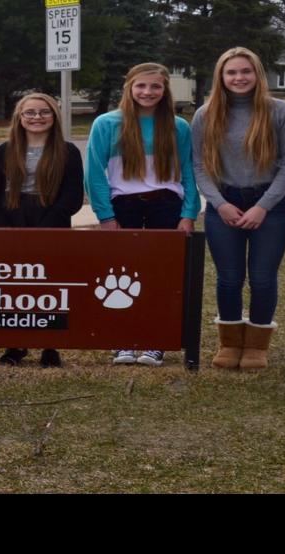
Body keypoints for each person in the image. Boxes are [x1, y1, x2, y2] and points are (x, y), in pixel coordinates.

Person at [192, 47, 285, 372]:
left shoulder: (280, 111)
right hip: (224, 204)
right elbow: (199, 165)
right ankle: (229, 342)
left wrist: (263, 206)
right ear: (221, 77)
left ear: (257, 74)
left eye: (245, 71)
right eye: (231, 73)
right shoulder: (206, 113)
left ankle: (256, 345)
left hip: (270, 205)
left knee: (262, 278)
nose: (239, 78)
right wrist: (219, 203)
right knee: (228, 278)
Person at [84, 62, 198, 368]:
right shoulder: (107, 124)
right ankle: (124, 338)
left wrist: (188, 213)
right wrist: (106, 216)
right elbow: (94, 172)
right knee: (122, 273)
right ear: (130, 88)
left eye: (155, 87)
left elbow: (188, 170)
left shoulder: (178, 126)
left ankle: (156, 340)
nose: (148, 92)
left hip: (166, 204)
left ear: (165, 90)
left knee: (162, 273)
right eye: (141, 86)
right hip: (124, 205)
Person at [0, 92, 83, 368]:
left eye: (44, 112)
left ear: (54, 116)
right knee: (13, 286)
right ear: (19, 117)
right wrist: (3, 228)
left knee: (50, 285)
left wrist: (46, 228)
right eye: (30, 113)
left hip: (51, 220)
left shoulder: (68, 151)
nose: (37, 118)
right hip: (10, 219)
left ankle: (51, 346)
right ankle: (14, 345)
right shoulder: (4, 150)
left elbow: (72, 197)